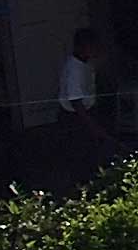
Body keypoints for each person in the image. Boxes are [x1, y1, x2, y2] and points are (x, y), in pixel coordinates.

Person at [57, 28, 120, 173]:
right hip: (75, 118)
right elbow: (76, 102)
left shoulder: (86, 63)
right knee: (81, 155)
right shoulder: (74, 70)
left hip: (87, 110)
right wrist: (93, 126)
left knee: (93, 151)